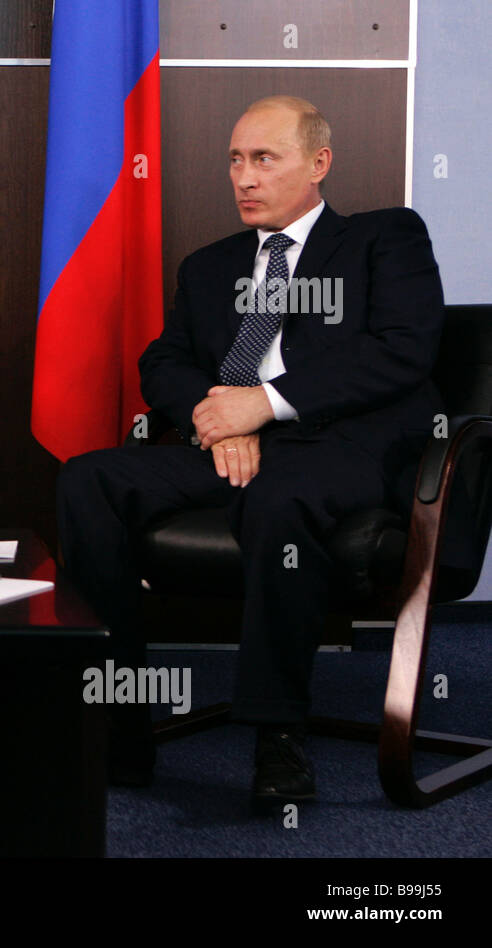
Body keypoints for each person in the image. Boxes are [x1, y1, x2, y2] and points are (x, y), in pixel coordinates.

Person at [56, 95, 444, 810]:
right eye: (235, 160)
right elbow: (161, 363)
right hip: (226, 447)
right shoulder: (209, 267)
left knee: (279, 493)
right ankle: (115, 727)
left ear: (318, 163)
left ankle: (278, 735)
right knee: (89, 481)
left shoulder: (384, 240)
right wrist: (221, 419)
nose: (244, 177)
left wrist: (264, 404)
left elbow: (402, 352)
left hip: (338, 451)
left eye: (264, 159)